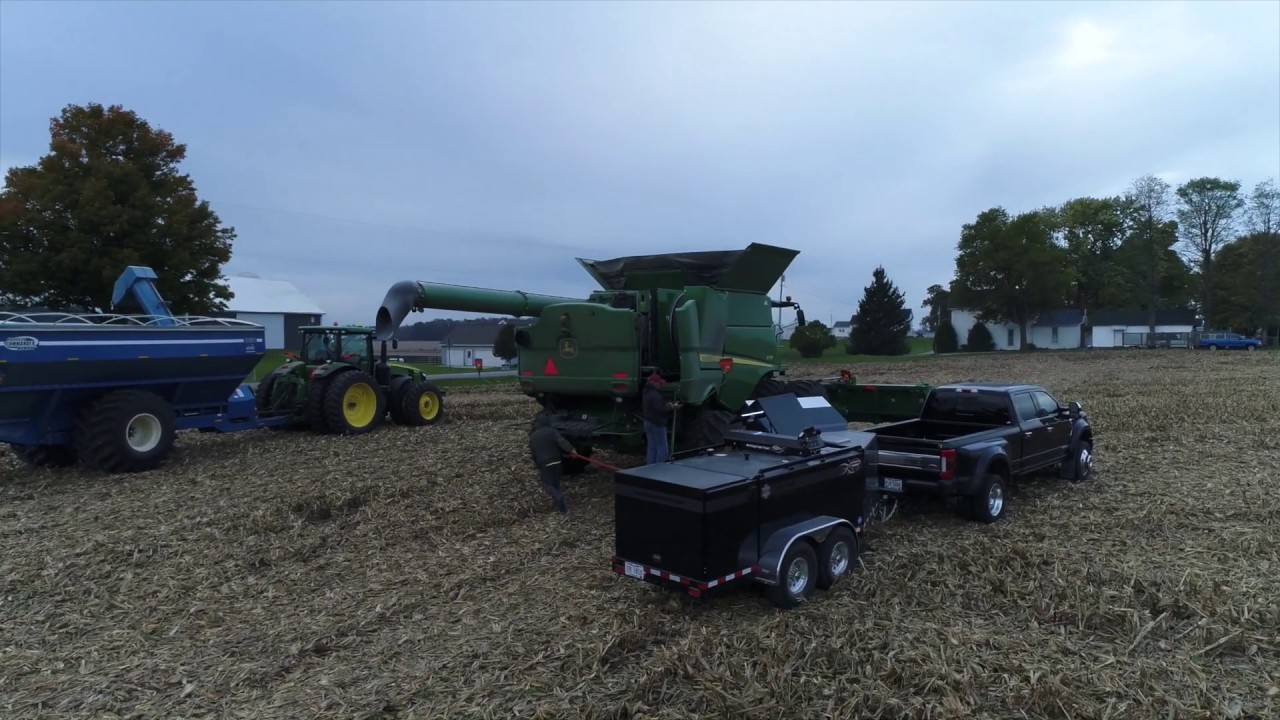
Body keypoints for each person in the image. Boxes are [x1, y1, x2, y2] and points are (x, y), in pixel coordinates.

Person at [528, 414, 574, 515]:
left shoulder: (533, 436)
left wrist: (536, 463)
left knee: (548, 485)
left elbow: (534, 453)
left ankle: (559, 498)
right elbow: (562, 442)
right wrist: (572, 450)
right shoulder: (552, 431)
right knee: (556, 484)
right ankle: (562, 509)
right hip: (556, 461)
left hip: (544, 463)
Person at [642, 373, 679, 464]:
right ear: (654, 383)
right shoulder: (655, 394)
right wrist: (672, 407)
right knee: (662, 447)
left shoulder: (646, 392)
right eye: (659, 383)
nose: (660, 385)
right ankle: (660, 468)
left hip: (647, 422)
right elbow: (660, 408)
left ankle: (651, 466)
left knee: (652, 446)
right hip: (657, 423)